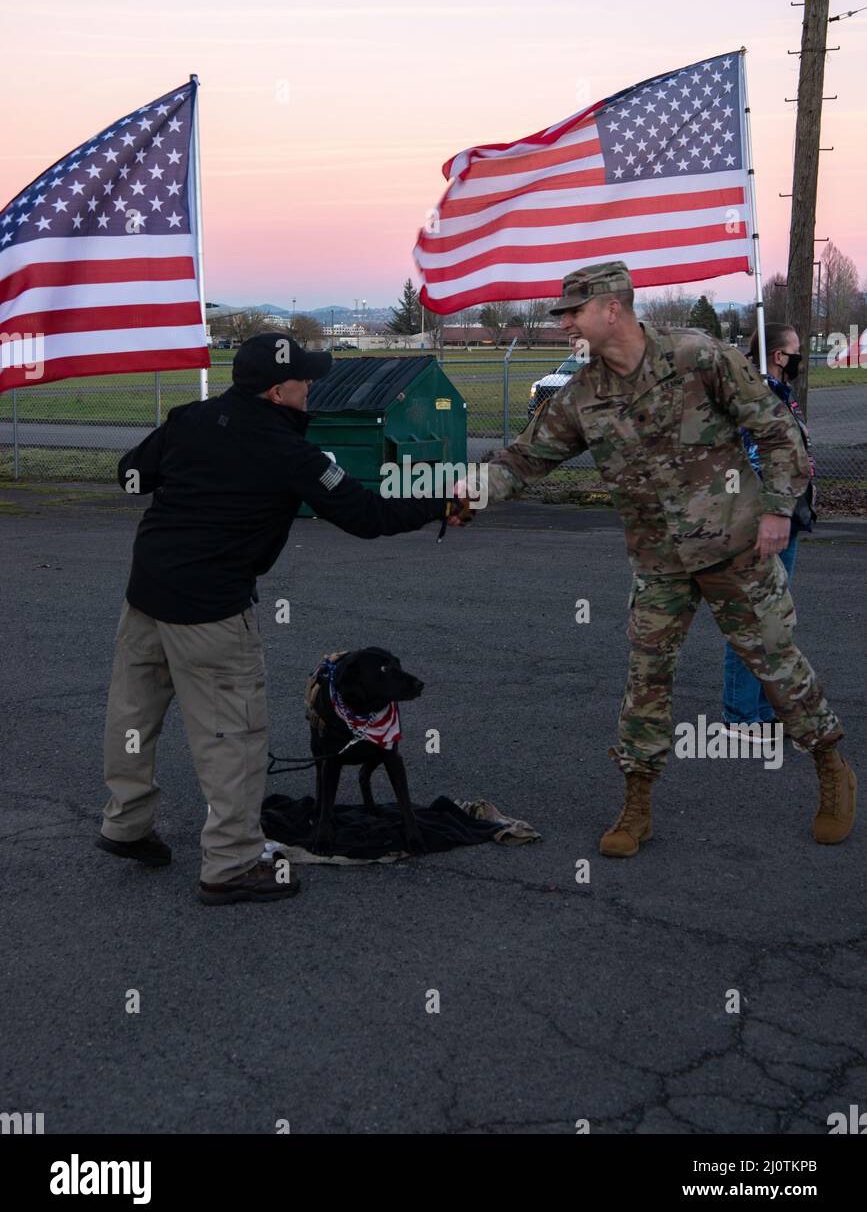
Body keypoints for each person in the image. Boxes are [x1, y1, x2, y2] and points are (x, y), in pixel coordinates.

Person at [451, 262, 855, 857]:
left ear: (612, 309)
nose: (565, 324)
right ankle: (637, 804)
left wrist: (777, 508)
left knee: (773, 663)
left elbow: (775, 428)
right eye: (562, 315)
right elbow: (524, 459)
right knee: (646, 680)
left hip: (734, 547)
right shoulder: (581, 394)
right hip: (658, 559)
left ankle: (829, 766)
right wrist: (472, 490)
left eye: (573, 313)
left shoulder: (699, 356)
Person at [97, 334, 450, 905]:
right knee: (232, 735)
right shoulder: (291, 453)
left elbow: (130, 475)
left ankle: (126, 824)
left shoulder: (190, 418)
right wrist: (442, 499)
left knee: (133, 716)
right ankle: (232, 863)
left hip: (147, 595)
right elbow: (366, 516)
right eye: (304, 379)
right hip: (212, 611)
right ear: (276, 390)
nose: (311, 386)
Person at [722, 323, 816, 739]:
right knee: (754, 617)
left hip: (788, 519)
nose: (800, 355)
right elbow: (756, 462)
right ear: (779, 356)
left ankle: (761, 707)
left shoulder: (781, 395)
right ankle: (741, 714)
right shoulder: (756, 396)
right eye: (795, 350)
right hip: (764, 522)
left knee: (773, 619)